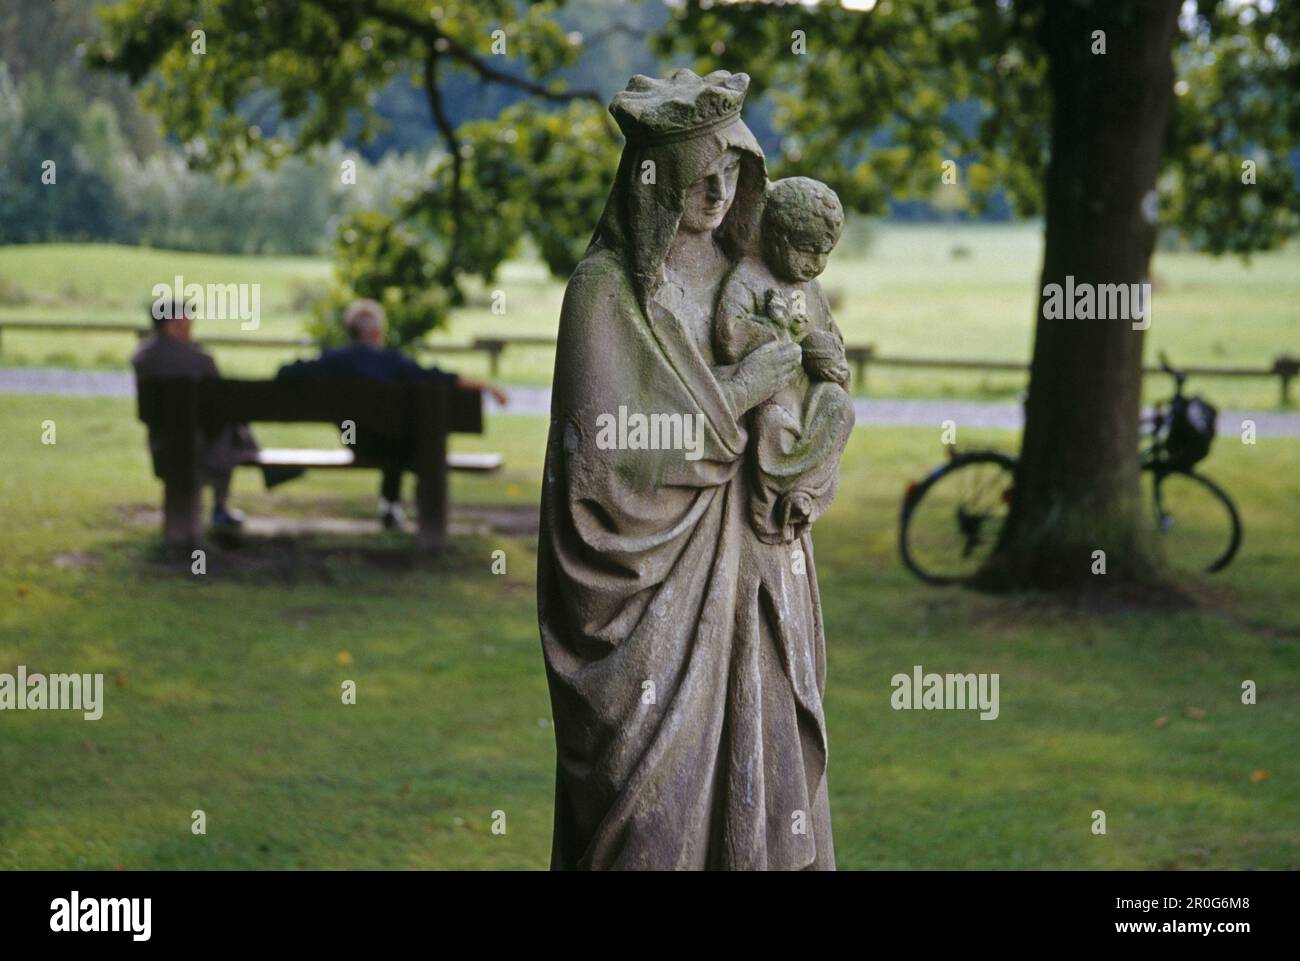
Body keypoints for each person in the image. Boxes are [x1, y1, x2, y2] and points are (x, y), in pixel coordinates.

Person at [538, 69, 852, 870]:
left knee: (764, 795)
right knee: (651, 827)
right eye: (697, 176)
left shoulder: (758, 274)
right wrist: (740, 391)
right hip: (652, 606)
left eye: (733, 173)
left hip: (760, 580)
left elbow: (821, 386)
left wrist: (809, 462)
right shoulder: (605, 295)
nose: (716, 194)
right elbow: (601, 468)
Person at [276, 299, 508, 528]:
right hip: (398, 446)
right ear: (377, 333)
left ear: (350, 332)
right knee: (405, 436)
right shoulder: (394, 363)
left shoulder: (333, 361)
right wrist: (488, 387)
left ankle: (390, 507)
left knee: (388, 432)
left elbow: (286, 373)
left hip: (356, 442)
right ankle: (399, 508)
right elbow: (439, 378)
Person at [712, 176, 856, 543]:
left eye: (825, 252)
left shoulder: (810, 290)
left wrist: (829, 357)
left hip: (806, 398)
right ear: (775, 235)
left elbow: (830, 338)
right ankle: (771, 499)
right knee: (771, 424)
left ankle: (804, 492)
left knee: (839, 408)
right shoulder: (749, 277)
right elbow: (730, 335)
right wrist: (777, 331)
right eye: (807, 250)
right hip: (771, 396)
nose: (816, 264)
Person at [131, 295, 261, 531]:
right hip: (204, 448)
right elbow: (220, 404)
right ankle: (220, 507)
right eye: (187, 320)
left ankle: (207, 512)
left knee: (227, 429)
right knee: (233, 430)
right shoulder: (199, 359)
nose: (191, 325)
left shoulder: (142, 358)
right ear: (175, 323)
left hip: (162, 445)